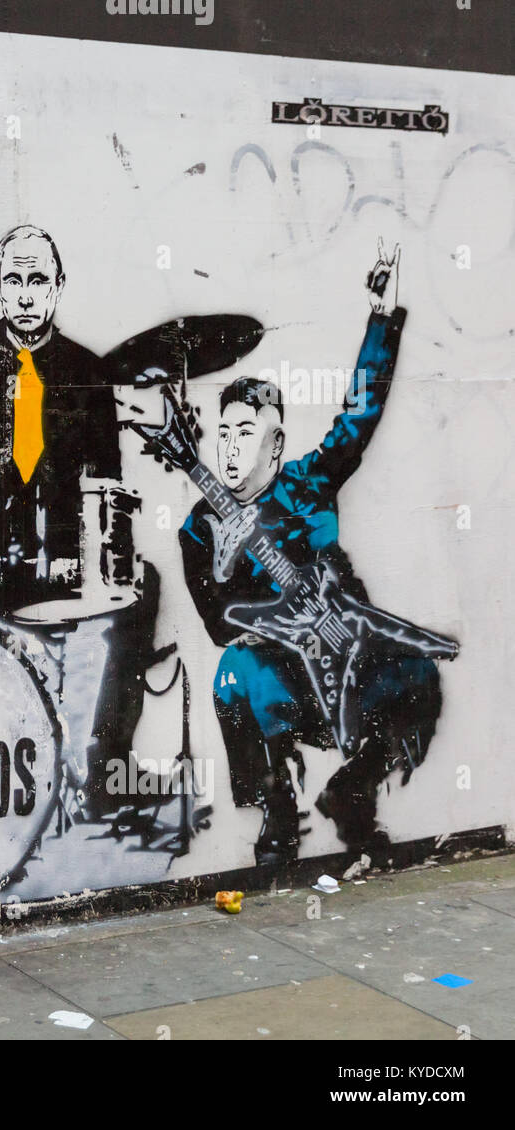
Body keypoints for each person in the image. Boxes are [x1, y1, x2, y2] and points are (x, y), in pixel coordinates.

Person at [178, 242, 445, 866]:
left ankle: (353, 791)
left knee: (421, 676)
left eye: (247, 433)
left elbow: (360, 415)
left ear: (276, 448)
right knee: (233, 677)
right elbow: (220, 627)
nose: (232, 447)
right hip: (287, 683)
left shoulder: (309, 481)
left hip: (353, 661)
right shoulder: (198, 526)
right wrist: (241, 568)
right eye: (224, 433)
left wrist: (380, 318)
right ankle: (277, 813)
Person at [0, 225, 161, 821]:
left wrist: (90, 555)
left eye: (39, 281)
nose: (26, 295)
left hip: (66, 565)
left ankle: (104, 766)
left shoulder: (86, 372)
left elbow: (105, 483)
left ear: (58, 287)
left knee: (143, 586)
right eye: (15, 281)